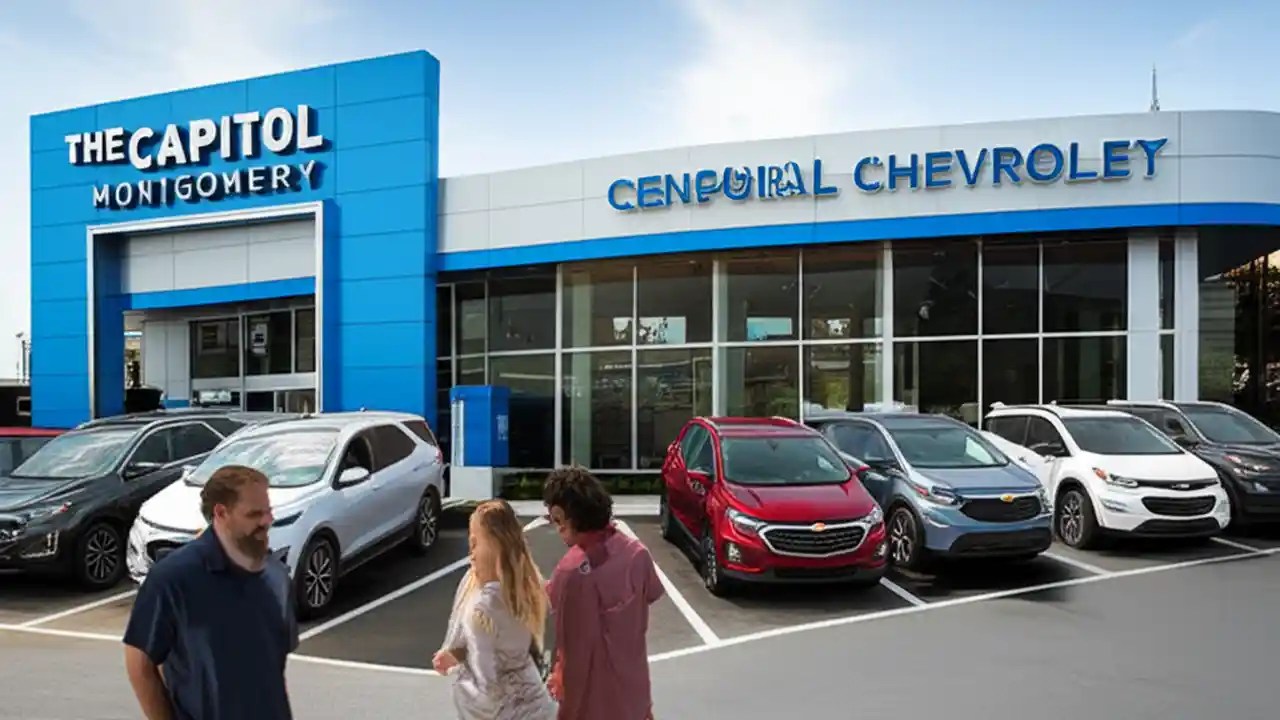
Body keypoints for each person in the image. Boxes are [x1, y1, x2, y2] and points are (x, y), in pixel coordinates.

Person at [122, 465, 297, 720]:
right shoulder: (174, 577)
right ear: (221, 513)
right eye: (254, 514)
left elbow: (273, 668)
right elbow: (140, 664)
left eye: (268, 511)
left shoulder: (276, 576)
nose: (266, 521)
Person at [543, 467, 664, 720]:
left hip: (594, 705)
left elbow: (573, 656)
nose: (557, 528)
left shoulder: (571, 571)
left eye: (557, 520)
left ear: (567, 516)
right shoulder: (637, 553)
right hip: (635, 698)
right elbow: (651, 593)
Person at [435, 499, 557, 719]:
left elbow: (488, 665)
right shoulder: (521, 585)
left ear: (495, 545)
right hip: (531, 704)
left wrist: (456, 661)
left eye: (475, 543)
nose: (470, 552)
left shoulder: (490, 600)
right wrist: (454, 653)